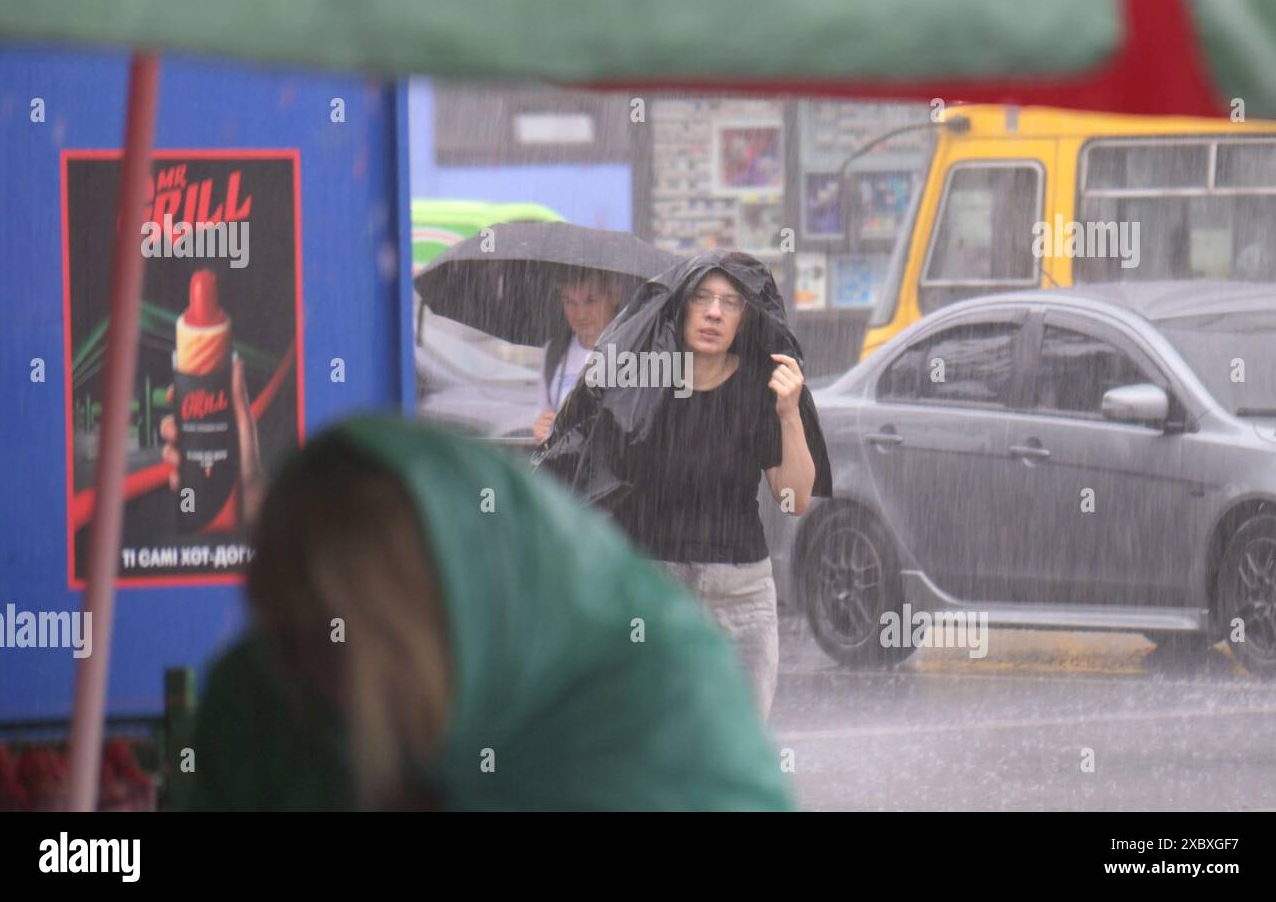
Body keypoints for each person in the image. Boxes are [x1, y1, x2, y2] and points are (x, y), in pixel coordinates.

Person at [188, 415, 792, 810]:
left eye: (335, 639)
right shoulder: (266, 697)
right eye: (287, 631)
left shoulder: (660, 706)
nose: (306, 672)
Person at [535, 250, 832, 718]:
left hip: (740, 596)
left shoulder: (761, 389)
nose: (714, 312)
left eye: (730, 303)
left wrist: (790, 414)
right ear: (681, 307)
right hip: (655, 593)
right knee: (656, 748)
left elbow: (793, 500)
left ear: (745, 317)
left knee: (735, 753)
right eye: (703, 298)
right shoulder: (640, 386)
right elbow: (589, 477)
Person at [533, 269, 621, 442]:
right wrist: (541, 429)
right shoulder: (554, 352)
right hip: (563, 467)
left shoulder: (635, 351)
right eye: (569, 302)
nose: (580, 314)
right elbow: (543, 416)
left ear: (615, 295)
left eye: (591, 300)